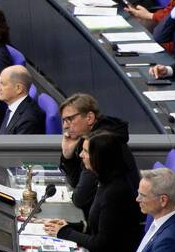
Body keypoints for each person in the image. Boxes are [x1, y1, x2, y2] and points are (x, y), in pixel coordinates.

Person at [43, 131, 141, 252]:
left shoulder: (116, 192)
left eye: (86, 152)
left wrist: (65, 233)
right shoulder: (105, 181)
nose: (81, 155)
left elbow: (101, 246)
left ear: (100, 157)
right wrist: (68, 226)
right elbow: (98, 228)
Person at [56, 93, 136, 222]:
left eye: (69, 119)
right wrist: (68, 155)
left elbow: (80, 198)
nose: (65, 126)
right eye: (64, 120)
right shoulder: (88, 139)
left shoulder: (101, 145)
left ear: (89, 118)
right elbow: (76, 183)